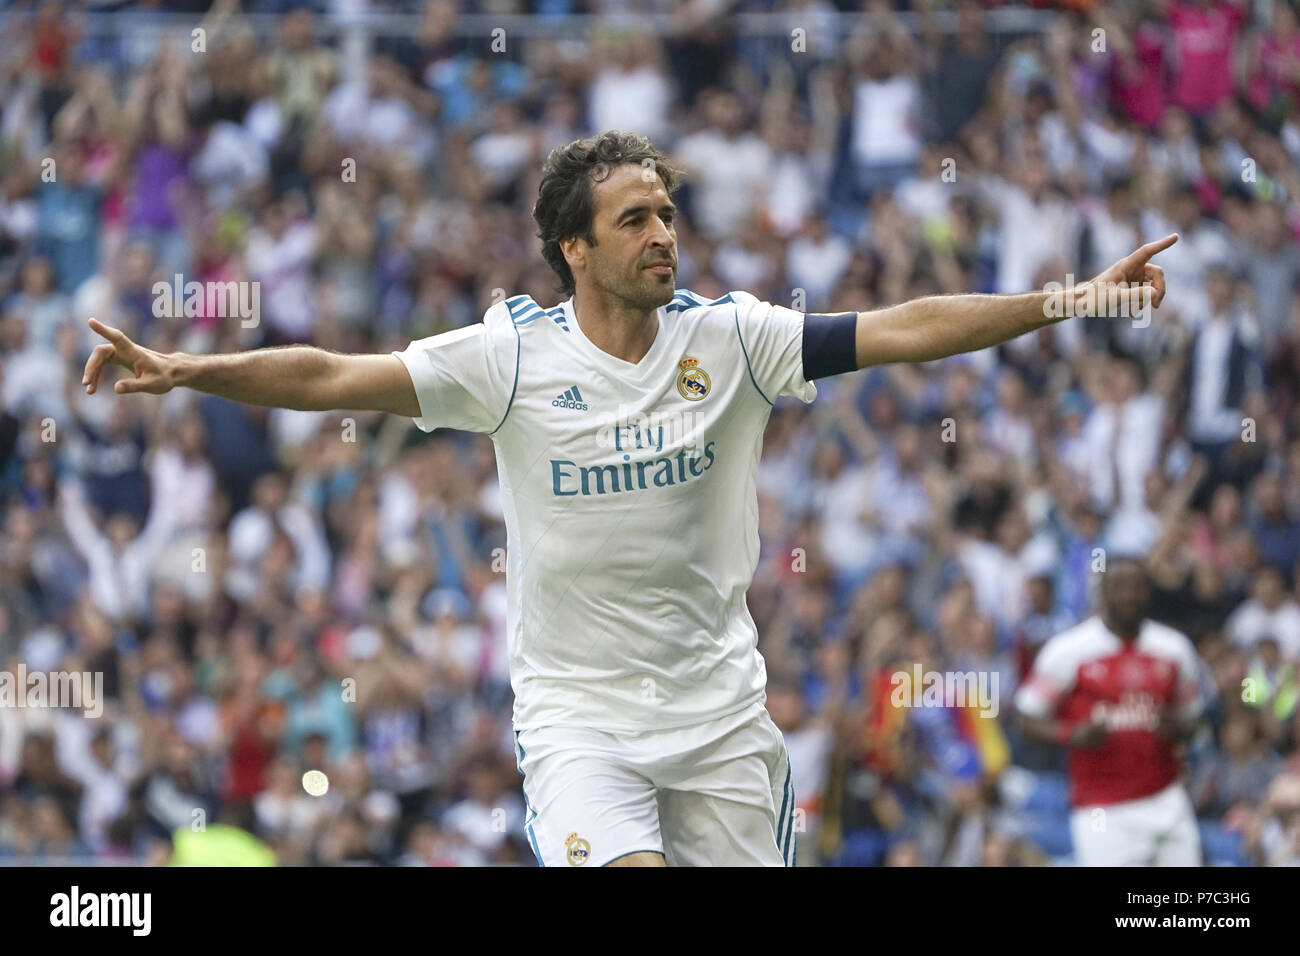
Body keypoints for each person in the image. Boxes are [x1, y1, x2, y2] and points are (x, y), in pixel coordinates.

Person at [80, 130, 1177, 867]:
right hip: (579, 717)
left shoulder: (735, 339)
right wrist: (186, 369)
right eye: (636, 220)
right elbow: (330, 376)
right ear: (575, 248)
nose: (663, 234)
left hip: (721, 716)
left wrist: (1066, 299)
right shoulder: (508, 358)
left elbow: (903, 328)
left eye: (667, 212)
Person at [1014, 557, 1204, 866]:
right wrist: (1071, 733)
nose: (1129, 596)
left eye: (1137, 587)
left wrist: (1179, 728)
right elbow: (1025, 718)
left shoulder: (1174, 649)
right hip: (1101, 807)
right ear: (1103, 593)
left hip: (1166, 798)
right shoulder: (1068, 651)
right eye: (1120, 587)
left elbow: (1194, 719)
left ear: (1149, 591)